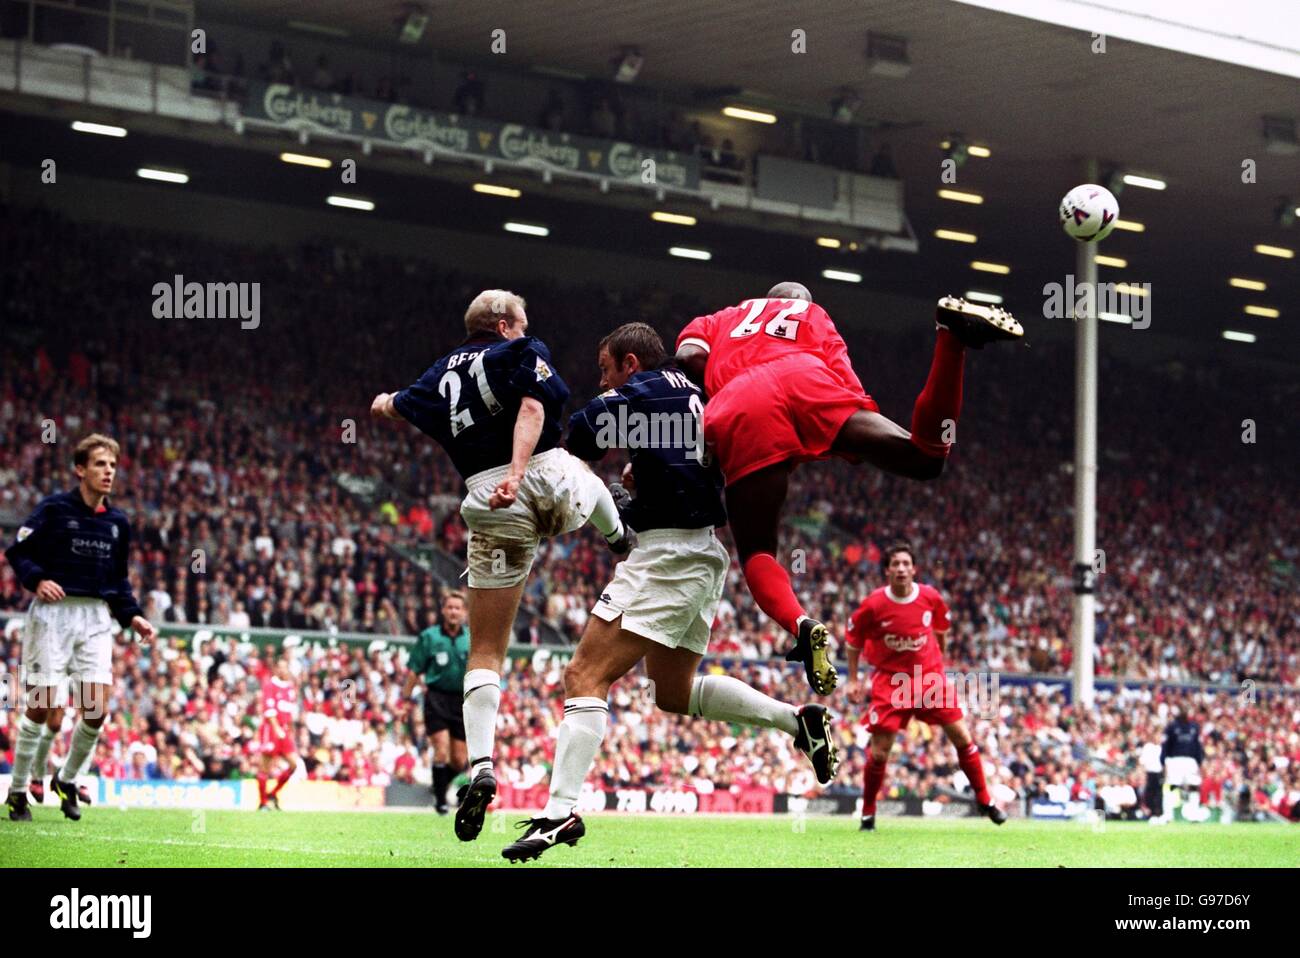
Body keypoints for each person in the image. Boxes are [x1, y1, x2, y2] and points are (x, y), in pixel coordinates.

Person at [501, 323, 839, 863]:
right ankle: (795, 722)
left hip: (665, 555)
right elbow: (696, 460)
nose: (603, 378)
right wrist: (647, 470)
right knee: (672, 692)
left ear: (631, 363)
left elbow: (582, 436)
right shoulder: (703, 393)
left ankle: (558, 810)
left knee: (584, 676)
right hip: (703, 552)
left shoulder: (641, 391)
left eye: (606, 369)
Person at [370, 289, 632, 842]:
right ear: (506, 324)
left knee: (486, 649)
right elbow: (536, 407)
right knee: (582, 468)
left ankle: (483, 767)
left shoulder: (433, 377)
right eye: (524, 320)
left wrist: (385, 401)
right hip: (538, 470)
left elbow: (396, 405)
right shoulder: (518, 350)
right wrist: (518, 471)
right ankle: (619, 537)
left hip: (488, 498)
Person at [675, 284, 1022, 694]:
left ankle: (800, 624)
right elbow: (846, 381)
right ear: (797, 303)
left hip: (740, 399)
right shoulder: (813, 315)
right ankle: (951, 339)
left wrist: (720, 400)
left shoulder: (720, 317)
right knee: (925, 458)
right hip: (807, 380)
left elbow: (689, 358)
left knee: (758, 553)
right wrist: (848, 436)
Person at [4, 434, 157, 822]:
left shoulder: (118, 523)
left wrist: (132, 615)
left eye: (112, 465)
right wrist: (37, 579)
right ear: (80, 469)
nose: (108, 472)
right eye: (100, 464)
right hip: (53, 615)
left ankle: (67, 778)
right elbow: (17, 550)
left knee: (96, 709)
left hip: (95, 618)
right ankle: (18, 790)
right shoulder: (54, 509)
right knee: (40, 708)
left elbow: (118, 580)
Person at [843, 542, 1006, 830]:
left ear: (914, 569)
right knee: (880, 752)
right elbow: (853, 639)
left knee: (962, 737)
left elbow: (942, 632)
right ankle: (868, 813)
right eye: (896, 564)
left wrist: (936, 664)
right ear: (887, 571)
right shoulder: (874, 604)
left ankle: (984, 799)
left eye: (906, 563)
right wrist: (854, 679)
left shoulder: (930, 597)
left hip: (929, 679)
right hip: (891, 682)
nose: (902, 569)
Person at [403, 590, 470, 814]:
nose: (453, 611)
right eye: (449, 607)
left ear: (465, 612)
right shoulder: (429, 637)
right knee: (441, 750)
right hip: (436, 698)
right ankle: (440, 802)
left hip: (462, 701)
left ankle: (438, 785)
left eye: (457, 608)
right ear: (443, 611)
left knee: (460, 761)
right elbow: (414, 671)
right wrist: (405, 700)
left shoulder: (471, 638)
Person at [255, 656, 300, 810]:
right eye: (279, 667)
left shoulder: (290, 688)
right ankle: (262, 803)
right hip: (271, 730)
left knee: (294, 765)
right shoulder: (270, 685)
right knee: (265, 767)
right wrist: (276, 729)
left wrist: (290, 731)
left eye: (285, 667)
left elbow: (290, 713)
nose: (282, 670)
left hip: (285, 732)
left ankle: (273, 794)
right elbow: (269, 711)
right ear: (275, 669)